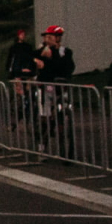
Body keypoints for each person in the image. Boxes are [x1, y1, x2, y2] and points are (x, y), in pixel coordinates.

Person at [33, 25, 76, 159]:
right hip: (46, 87)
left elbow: (68, 68)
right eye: (46, 37)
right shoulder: (41, 51)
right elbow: (31, 58)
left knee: (63, 112)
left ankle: (66, 146)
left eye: (50, 37)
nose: (47, 40)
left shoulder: (65, 52)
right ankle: (42, 144)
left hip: (60, 87)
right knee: (45, 118)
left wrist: (53, 58)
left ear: (57, 39)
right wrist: (37, 61)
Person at [5, 27, 36, 133]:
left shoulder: (28, 47)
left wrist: (31, 70)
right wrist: (12, 73)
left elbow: (31, 59)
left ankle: (28, 122)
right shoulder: (14, 48)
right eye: (21, 34)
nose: (23, 36)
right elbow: (11, 61)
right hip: (18, 74)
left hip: (27, 75)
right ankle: (14, 123)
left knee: (29, 99)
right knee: (18, 101)